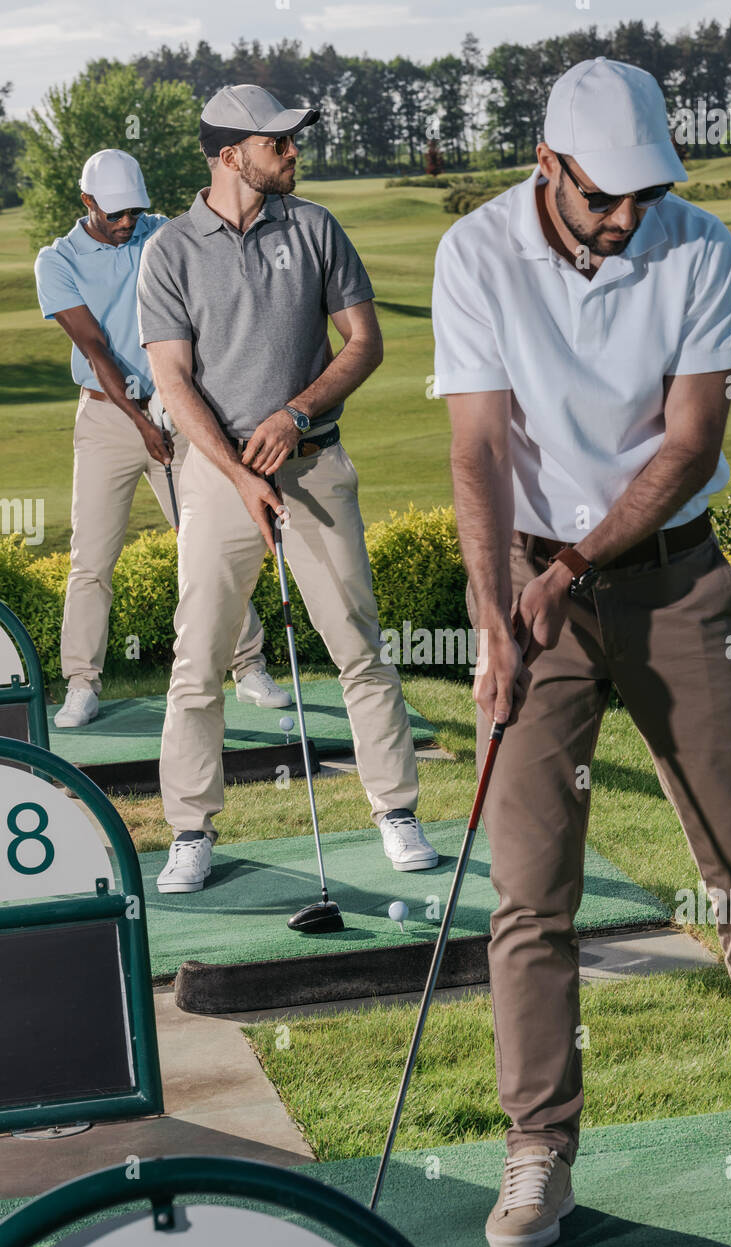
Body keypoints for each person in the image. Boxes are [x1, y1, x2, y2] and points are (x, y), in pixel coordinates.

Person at [432, 57, 731, 1247]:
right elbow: (477, 448)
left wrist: (572, 567)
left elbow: (692, 439)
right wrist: (495, 611)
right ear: (548, 165)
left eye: (644, 193)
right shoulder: (474, 252)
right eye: (602, 194)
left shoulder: (697, 244)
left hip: (673, 578)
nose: (626, 216)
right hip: (531, 588)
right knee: (531, 888)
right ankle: (538, 1147)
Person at [137, 85, 438, 893]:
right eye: (279, 143)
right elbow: (172, 381)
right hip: (216, 477)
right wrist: (239, 474)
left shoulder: (314, 227)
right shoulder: (170, 250)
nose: (294, 152)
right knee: (198, 661)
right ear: (231, 155)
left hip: (314, 467)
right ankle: (191, 829)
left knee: (358, 647)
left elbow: (364, 342)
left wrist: (296, 414)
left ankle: (395, 811)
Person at [33, 149, 286, 729]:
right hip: (108, 421)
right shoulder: (59, 260)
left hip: (182, 412)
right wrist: (143, 421)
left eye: (134, 211)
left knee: (213, 541)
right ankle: (81, 684)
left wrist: (177, 406)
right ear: (87, 202)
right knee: (91, 558)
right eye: (115, 213)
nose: (128, 222)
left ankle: (248, 667)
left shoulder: (163, 234)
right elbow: (95, 349)